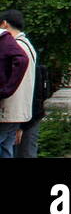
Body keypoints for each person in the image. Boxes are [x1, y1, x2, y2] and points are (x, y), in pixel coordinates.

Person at [0, 9, 36, 159]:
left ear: (5, 24)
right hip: (19, 109)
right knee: (6, 146)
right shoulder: (28, 45)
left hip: (7, 107)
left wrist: (5, 90)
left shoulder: (14, 46)